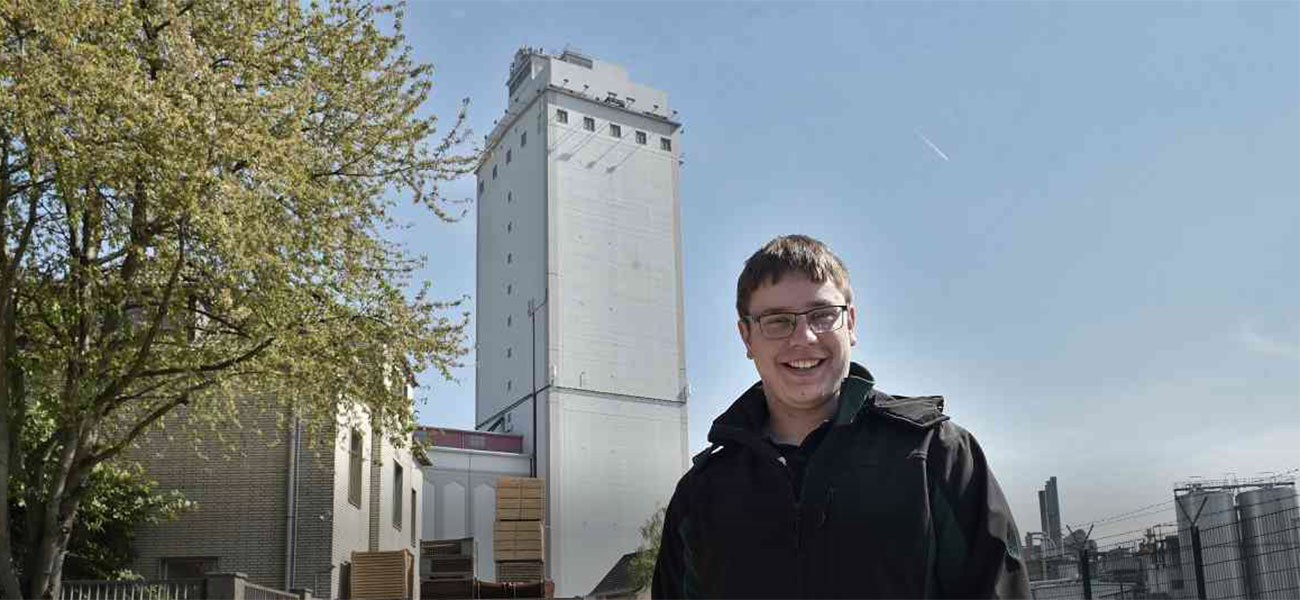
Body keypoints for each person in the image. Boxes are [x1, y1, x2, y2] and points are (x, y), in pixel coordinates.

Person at [652, 234, 1031, 599]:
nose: (803, 337)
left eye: (822, 315)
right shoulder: (701, 497)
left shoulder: (938, 456)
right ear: (746, 338)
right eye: (778, 321)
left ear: (850, 323)